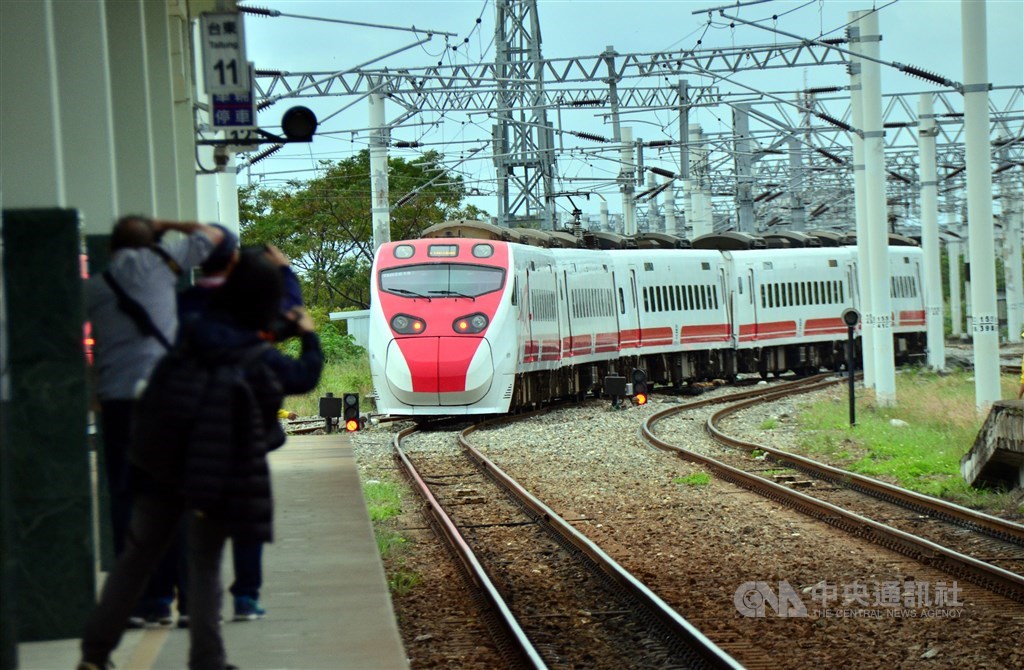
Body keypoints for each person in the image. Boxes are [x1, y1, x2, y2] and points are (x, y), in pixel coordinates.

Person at [78, 248, 324, 670]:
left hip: (161, 465)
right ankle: (208, 660)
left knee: (135, 560)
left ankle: (95, 655)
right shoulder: (259, 357)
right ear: (263, 304)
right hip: (217, 475)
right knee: (205, 565)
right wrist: (308, 334)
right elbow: (303, 376)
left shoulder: (190, 330)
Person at [86, 216, 225, 625]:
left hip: (119, 405)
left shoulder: (95, 286)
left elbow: (60, 337)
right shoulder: (165, 264)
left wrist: (93, 383)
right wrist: (167, 222)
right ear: (151, 245)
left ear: (111, 249)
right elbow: (215, 235)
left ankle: (147, 602)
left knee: (127, 501)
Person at [178, 238, 304, 622]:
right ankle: (246, 598)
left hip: (196, 436)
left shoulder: (187, 306)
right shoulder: (253, 312)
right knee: (247, 518)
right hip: (246, 439)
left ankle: (193, 602)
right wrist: (284, 270)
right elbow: (291, 313)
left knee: (198, 523)